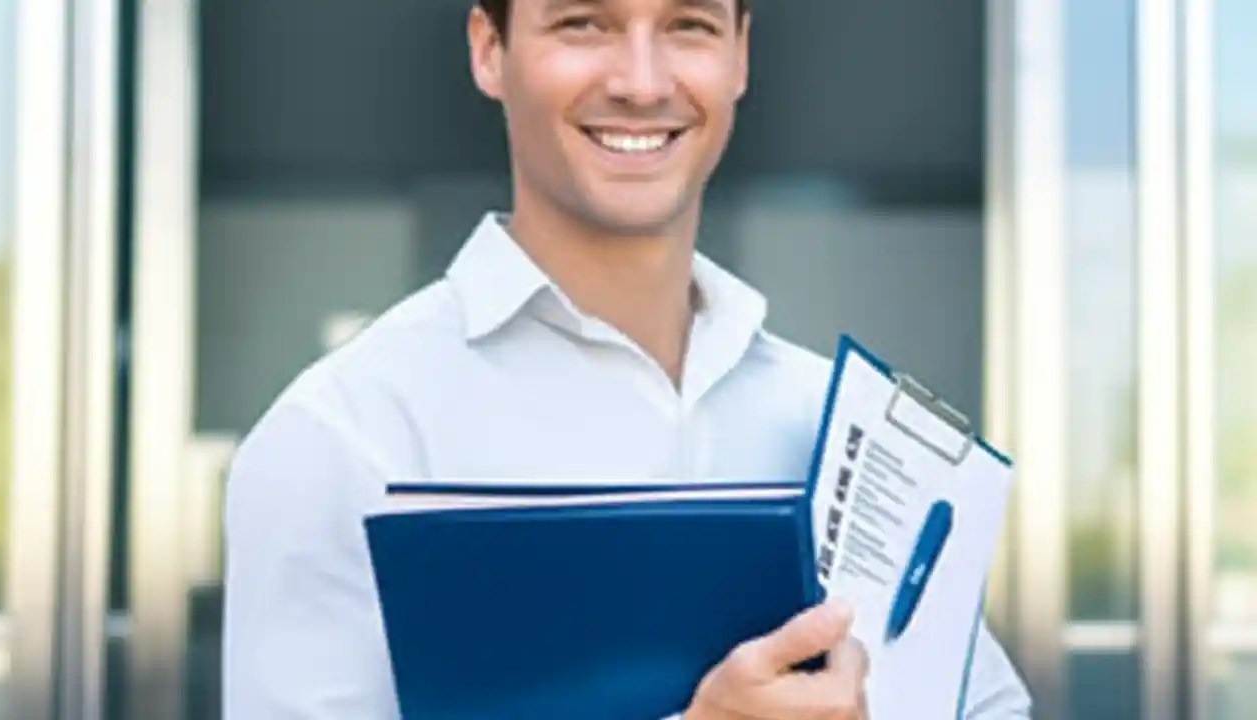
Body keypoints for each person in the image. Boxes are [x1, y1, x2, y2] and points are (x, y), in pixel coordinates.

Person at [222, 0, 1033, 717]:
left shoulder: (838, 421)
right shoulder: (342, 437)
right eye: (584, 22)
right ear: (489, 49)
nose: (642, 83)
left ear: (740, 53)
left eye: (688, 25)